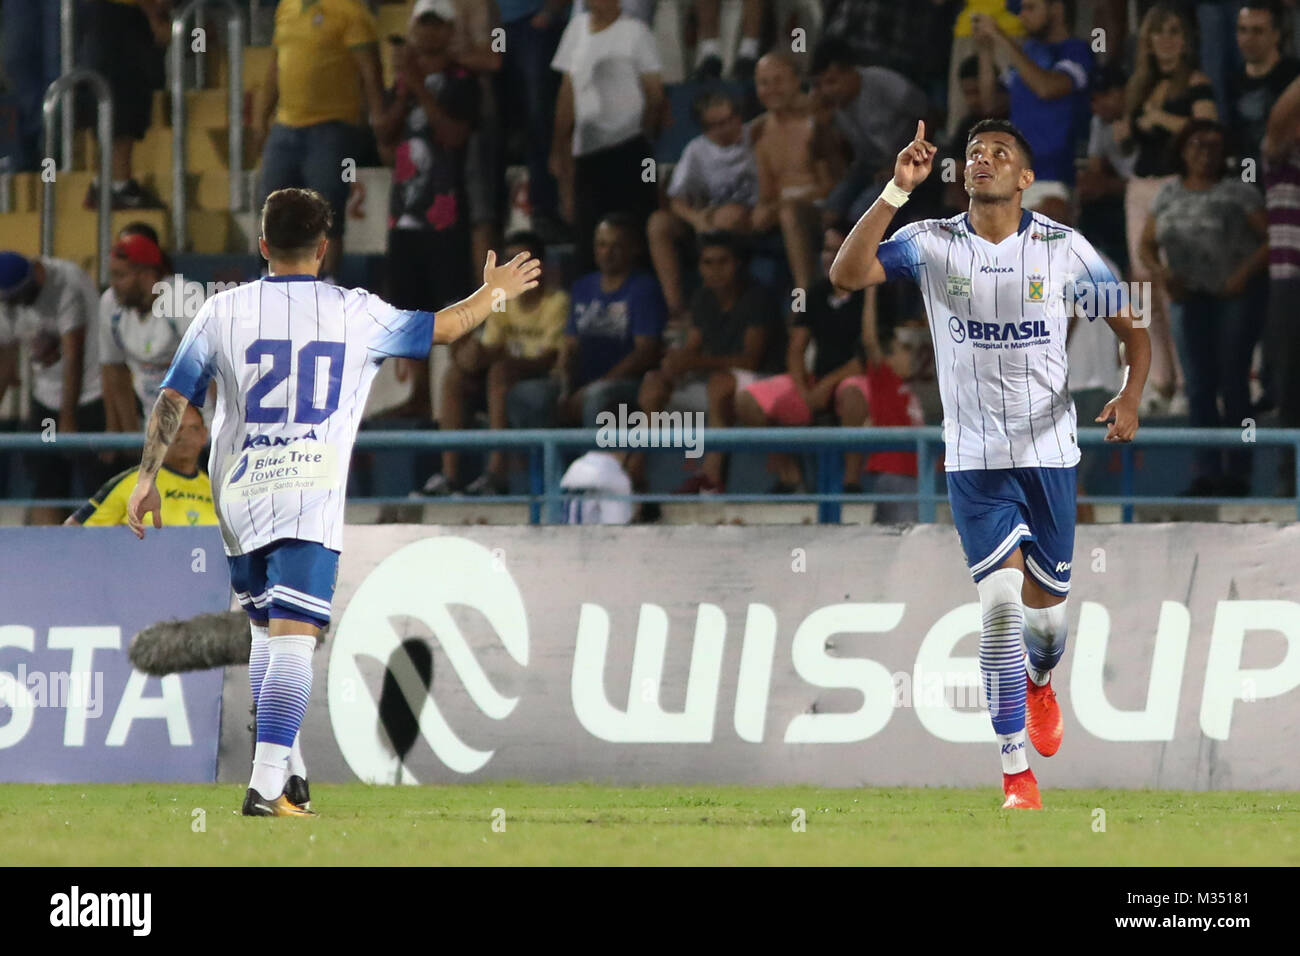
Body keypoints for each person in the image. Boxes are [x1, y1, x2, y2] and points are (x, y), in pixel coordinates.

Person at [124, 188, 540, 817]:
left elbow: (173, 398)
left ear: (263, 245)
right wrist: (498, 290)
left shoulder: (220, 312)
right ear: (325, 248)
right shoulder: (356, 312)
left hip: (237, 492)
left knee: (266, 628)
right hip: (306, 490)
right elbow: (450, 326)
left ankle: (289, 776)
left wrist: (146, 476)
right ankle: (265, 786)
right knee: (295, 636)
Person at [829, 118, 1151, 810]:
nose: (984, 160)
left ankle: (1041, 682)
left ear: (1025, 178)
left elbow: (1133, 331)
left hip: (1050, 458)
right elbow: (845, 274)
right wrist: (895, 189)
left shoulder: (1063, 251)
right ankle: (1016, 778)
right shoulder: (930, 242)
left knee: (1045, 628)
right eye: (974, 153)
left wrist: (1128, 395)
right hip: (974, 463)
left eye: (1000, 153)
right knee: (1000, 615)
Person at [1140, 118, 1268, 496]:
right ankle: (1206, 472)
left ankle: (1239, 472)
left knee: (1233, 382)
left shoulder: (1239, 193)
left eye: (1213, 146)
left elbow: (1268, 240)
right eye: (1197, 144)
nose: (1204, 153)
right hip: (1186, 295)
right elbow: (1146, 245)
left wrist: (1243, 275)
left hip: (1233, 295)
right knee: (1197, 385)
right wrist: (1162, 274)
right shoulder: (1167, 194)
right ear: (1182, 149)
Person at [1119, 3, 1217, 412]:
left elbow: (1208, 129)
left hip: (1175, 187)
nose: (1167, 41)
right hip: (1139, 185)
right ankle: (1156, 380)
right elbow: (1121, 135)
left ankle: (1186, 380)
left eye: (1174, 31)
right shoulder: (1141, 84)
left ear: (1186, 38)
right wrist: (1134, 121)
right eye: (1159, 33)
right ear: (1148, 41)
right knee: (1141, 285)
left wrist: (1160, 118)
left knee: (1172, 280)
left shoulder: (1195, 83)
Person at [421, 231, 569, 496]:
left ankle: (496, 474)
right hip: (504, 373)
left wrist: (495, 357)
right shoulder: (501, 300)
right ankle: (449, 476)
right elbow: (491, 346)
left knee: (500, 372)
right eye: (509, 261)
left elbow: (549, 358)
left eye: (521, 260)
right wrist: (472, 354)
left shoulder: (557, 302)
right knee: (456, 375)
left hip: (540, 376)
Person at [638, 231, 783, 494]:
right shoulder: (703, 297)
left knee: (719, 383)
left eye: (722, 262)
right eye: (707, 263)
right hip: (716, 376)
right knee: (653, 383)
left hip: (762, 380)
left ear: (738, 264)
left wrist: (695, 361)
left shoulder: (758, 298)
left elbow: (750, 360)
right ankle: (636, 470)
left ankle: (711, 476)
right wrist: (674, 364)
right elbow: (693, 345)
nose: (714, 270)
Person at [254, 0, 386, 280]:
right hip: (286, 124)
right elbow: (276, 65)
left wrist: (378, 116)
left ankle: (327, 278)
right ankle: (271, 276)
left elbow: (370, 69)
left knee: (326, 209)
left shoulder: (351, 10)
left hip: (332, 125)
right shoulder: (286, 8)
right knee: (270, 205)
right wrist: (261, 114)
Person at [736, 223, 870, 493]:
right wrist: (804, 391)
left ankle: (851, 481)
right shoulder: (813, 293)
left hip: (858, 379)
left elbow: (868, 354)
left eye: (838, 249)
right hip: (815, 381)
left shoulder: (873, 293)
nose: (829, 256)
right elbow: (796, 350)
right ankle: (790, 476)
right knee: (748, 399)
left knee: (853, 392)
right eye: (826, 249)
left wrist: (826, 385)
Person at [509, 215, 666, 430]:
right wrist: (565, 385)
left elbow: (645, 353)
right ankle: (541, 462)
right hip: (583, 381)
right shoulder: (582, 287)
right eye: (602, 245)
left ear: (634, 249)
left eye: (616, 246)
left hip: (627, 383)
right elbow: (571, 344)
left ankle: (593, 462)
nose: (607, 253)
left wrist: (599, 384)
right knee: (526, 394)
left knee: (595, 398)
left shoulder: (644, 288)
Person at [550, 0, 665, 273]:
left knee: (633, 231)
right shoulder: (576, 29)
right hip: (588, 154)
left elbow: (655, 93)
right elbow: (567, 93)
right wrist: (559, 146)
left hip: (629, 150)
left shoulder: (636, 32)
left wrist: (641, 136)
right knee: (588, 235)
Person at [0, 252, 105, 526]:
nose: (17, 305)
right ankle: (48, 558)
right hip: (46, 404)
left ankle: (111, 557)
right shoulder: (8, 298)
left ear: (34, 277)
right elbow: (6, 358)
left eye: (20, 297)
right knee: (46, 482)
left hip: (89, 399)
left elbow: (74, 354)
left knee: (100, 486)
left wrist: (67, 419)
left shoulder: (65, 282)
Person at [972, 0, 1092, 223]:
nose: (1022, 16)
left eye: (1031, 7)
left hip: (1056, 178)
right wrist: (986, 51)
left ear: (1057, 8)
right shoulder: (1028, 52)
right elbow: (990, 104)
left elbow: (1048, 88)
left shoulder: (1077, 50)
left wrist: (1001, 37)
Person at [648, 90, 759, 320]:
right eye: (715, 125)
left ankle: (727, 306)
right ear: (705, 128)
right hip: (708, 219)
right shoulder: (696, 150)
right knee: (658, 223)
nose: (725, 128)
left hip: (750, 216)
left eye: (729, 120)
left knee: (728, 216)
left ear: (738, 117)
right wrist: (696, 219)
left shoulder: (755, 135)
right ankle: (676, 308)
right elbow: (675, 200)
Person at [812, 38, 930, 225]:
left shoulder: (881, 82)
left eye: (832, 81)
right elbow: (836, 163)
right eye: (821, 84)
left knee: (860, 213)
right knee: (830, 211)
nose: (827, 90)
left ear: (851, 72)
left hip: (910, 162)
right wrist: (822, 126)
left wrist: (903, 161)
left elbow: (930, 116)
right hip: (868, 166)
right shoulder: (828, 104)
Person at [751, 52, 840, 294]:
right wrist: (763, 209)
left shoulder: (819, 120)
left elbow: (832, 184)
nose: (771, 89)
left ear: (796, 80)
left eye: (778, 80)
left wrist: (786, 202)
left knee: (789, 214)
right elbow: (767, 191)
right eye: (764, 83)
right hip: (782, 206)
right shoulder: (759, 130)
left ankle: (806, 295)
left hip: (821, 207)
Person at [78, 0, 170, 209]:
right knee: (123, 95)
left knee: (110, 95)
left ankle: (106, 181)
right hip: (125, 13)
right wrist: (153, 14)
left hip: (110, 13)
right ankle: (119, 184)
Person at [100, 231, 191, 434]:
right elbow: (114, 370)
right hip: (153, 427)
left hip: (199, 428)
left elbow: (213, 369)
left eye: (121, 276)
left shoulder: (182, 297)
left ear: (147, 275)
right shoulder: (110, 304)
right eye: (112, 275)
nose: (113, 284)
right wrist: (128, 433)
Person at [66, 403, 214, 527]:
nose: (185, 436)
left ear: (204, 435)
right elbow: (73, 530)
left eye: (193, 428)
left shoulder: (216, 489)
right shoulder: (133, 482)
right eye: (176, 428)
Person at [1228, 1, 1300, 166]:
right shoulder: (1234, 80)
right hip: (1250, 169)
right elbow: (1241, 145)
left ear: (1276, 35)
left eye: (1258, 31)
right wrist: (1249, 184)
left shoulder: (1294, 75)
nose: (1248, 39)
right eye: (1242, 30)